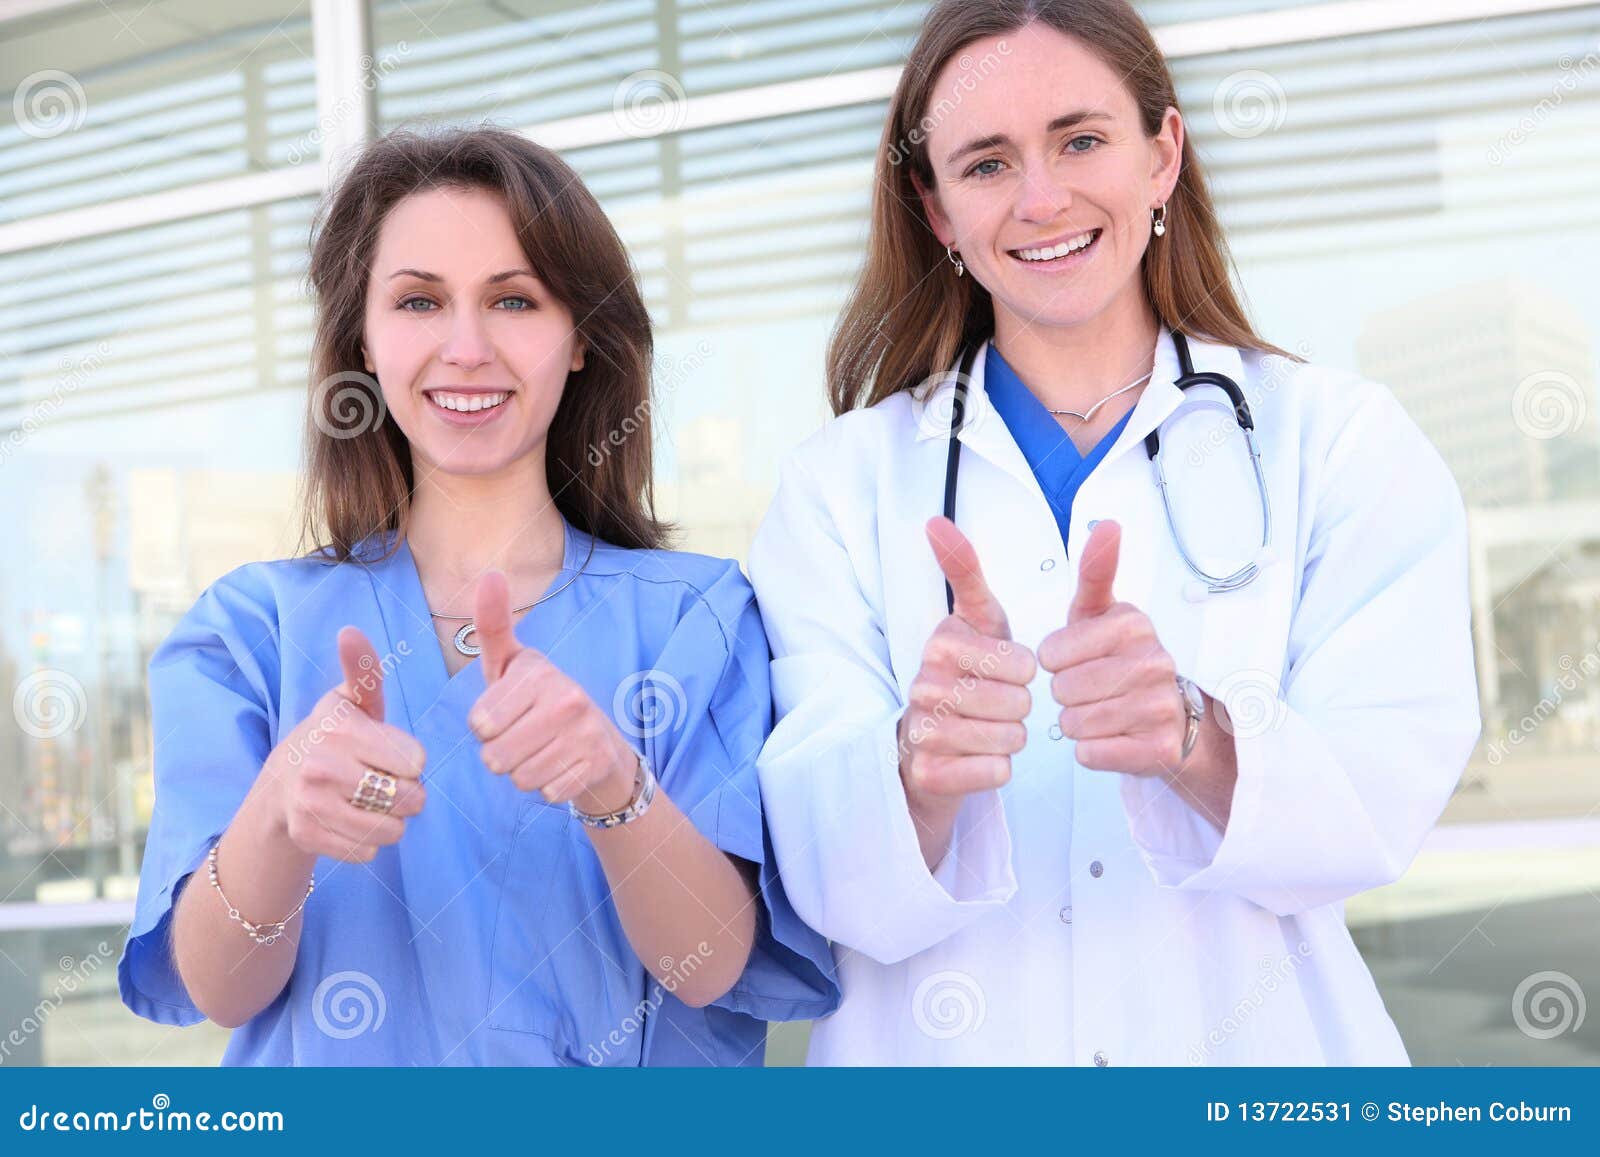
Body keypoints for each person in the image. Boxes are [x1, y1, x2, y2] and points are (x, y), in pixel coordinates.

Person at [749, 0, 1480, 1065]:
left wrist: (1197, 735)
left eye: (1081, 139)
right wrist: (915, 769)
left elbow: (1384, 789)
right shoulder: (837, 486)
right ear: (937, 209)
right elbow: (818, 871)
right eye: (987, 163)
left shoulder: (1335, 440)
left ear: (1161, 155)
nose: (1041, 198)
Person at [118, 126, 837, 1065]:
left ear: (580, 339)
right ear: (364, 347)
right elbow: (220, 987)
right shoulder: (249, 634)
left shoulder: (695, 619)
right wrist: (281, 815)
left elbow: (708, 964)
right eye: (419, 301)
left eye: (513, 299)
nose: (466, 346)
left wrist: (613, 785)